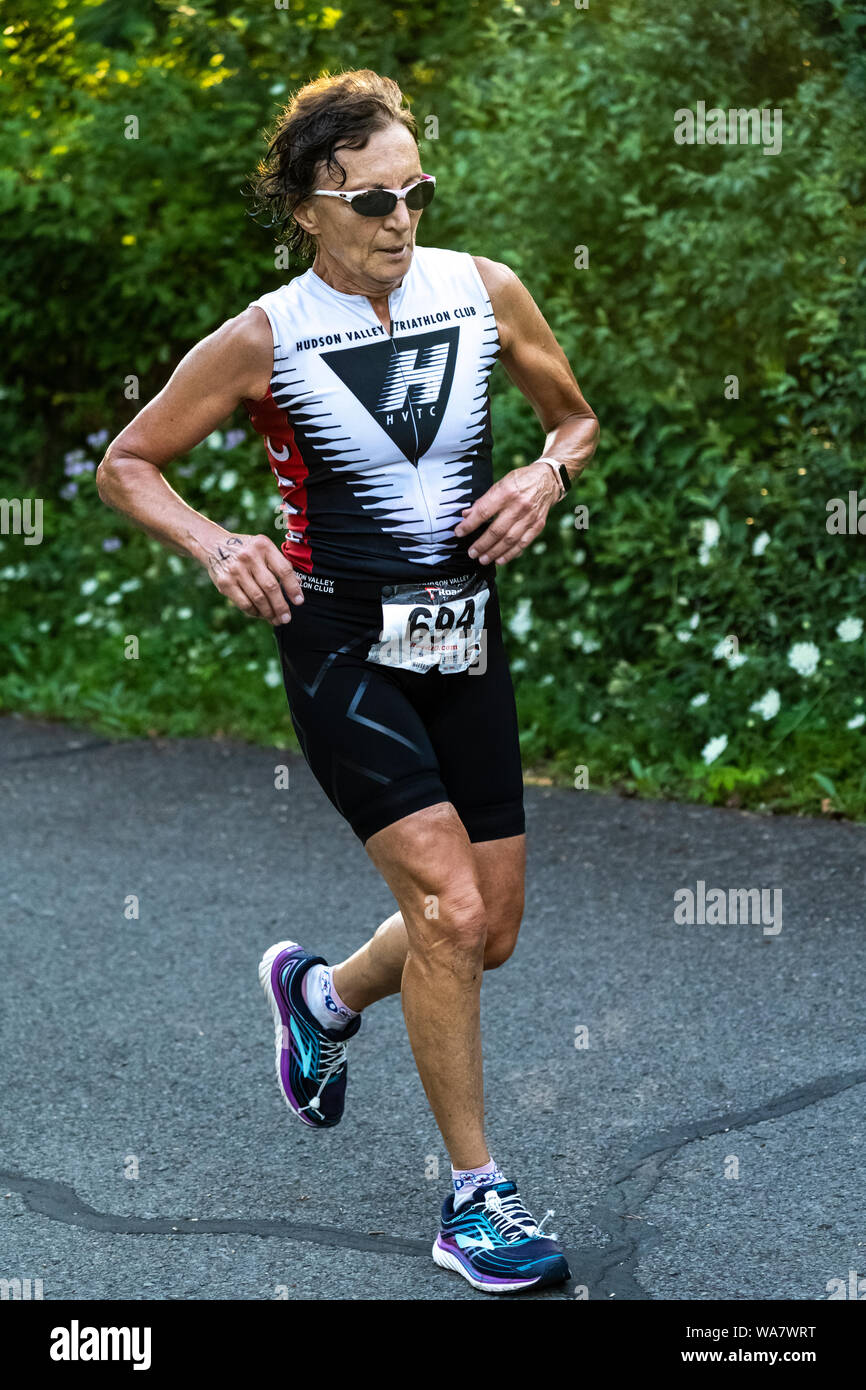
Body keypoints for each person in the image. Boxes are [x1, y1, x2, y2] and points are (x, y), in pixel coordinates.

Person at [96, 68, 599, 1296]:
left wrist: (547, 476)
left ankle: (322, 997)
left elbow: (574, 421)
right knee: (445, 910)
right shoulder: (262, 338)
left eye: (416, 192)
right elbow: (128, 464)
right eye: (372, 200)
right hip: (339, 646)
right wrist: (219, 543)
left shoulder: (484, 292)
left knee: (492, 926)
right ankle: (476, 1199)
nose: (401, 220)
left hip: (464, 639)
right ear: (307, 204)